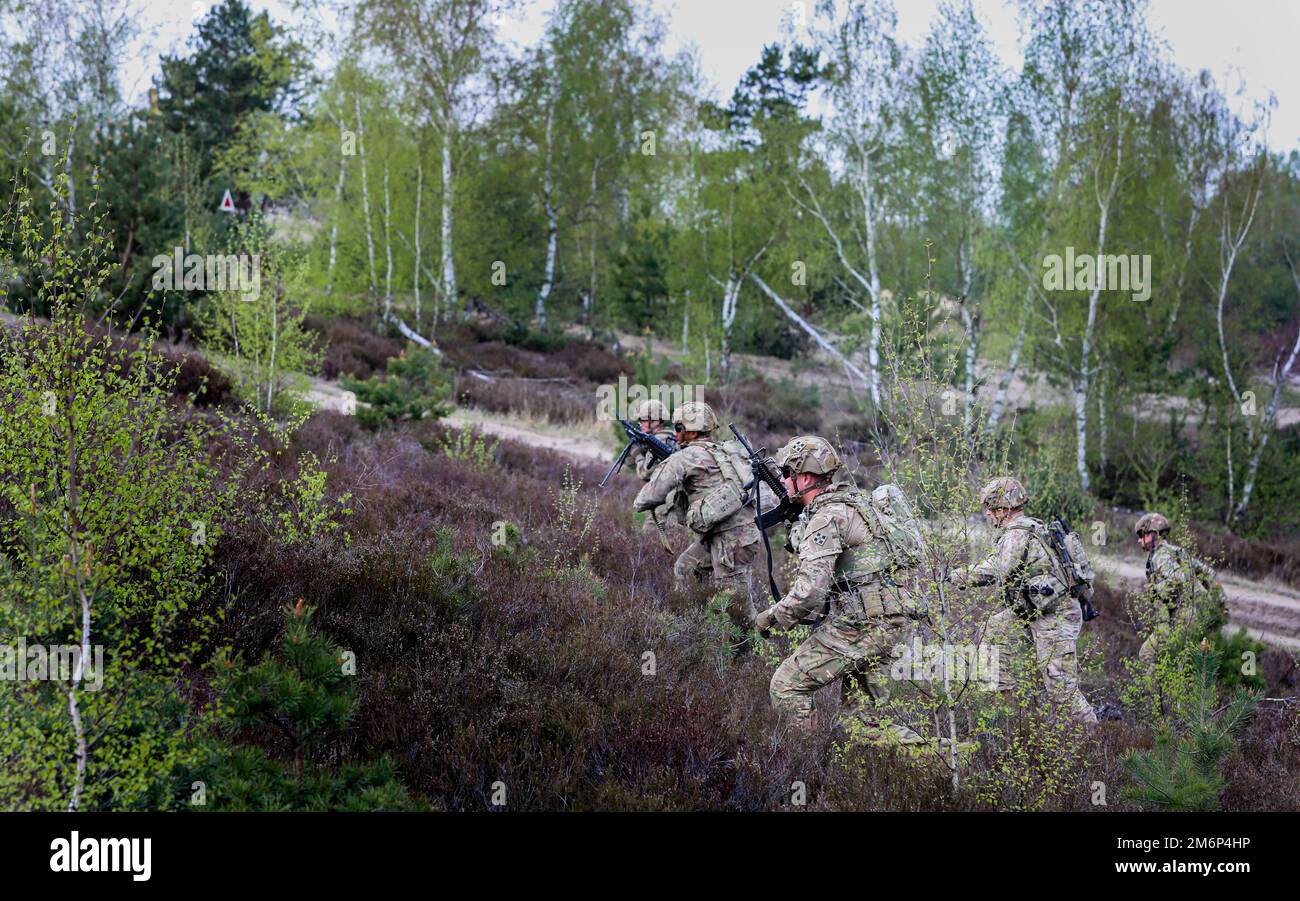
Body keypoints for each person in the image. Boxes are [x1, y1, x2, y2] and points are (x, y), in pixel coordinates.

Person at [755, 436, 928, 742]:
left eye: (786, 474)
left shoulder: (825, 517)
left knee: (786, 686)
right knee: (864, 727)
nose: (782, 481)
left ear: (804, 477)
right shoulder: (854, 503)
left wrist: (771, 617)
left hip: (864, 625)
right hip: (892, 619)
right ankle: (947, 762)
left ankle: (800, 763)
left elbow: (810, 592)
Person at [948, 477, 1098, 726]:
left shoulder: (1018, 533)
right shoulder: (1029, 528)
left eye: (990, 507)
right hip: (1033, 613)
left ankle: (1093, 734)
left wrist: (957, 576)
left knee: (1059, 683)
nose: (987, 513)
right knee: (994, 630)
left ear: (1003, 508)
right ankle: (1008, 710)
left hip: (1055, 615)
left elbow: (997, 570)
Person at [633, 401, 759, 626]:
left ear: (691, 431)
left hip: (732, 540)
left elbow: (649, 496)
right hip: (728, 534)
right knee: (686, 567)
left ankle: (752, 651)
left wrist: (639, 502)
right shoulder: (725, 451)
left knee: (736, 607)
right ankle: (691, 623)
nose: (676, 433)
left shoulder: (685, 457)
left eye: (679, 427)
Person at [1133, 512, 1222, 672]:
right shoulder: (1177, 552)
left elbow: (1175, 580)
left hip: (1182, 621)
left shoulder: (1160, 555)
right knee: (1186, 667)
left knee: (1147, 654)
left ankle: (1156, 695)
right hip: (1200, 619)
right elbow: (1209, 574)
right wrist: (1219, 603)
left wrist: (1154, 589)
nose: (1139, 540)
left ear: (1153, 534)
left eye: (1141, 534)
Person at [628, 399, 676, 481]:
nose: (640, 423)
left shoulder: (659, 440)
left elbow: (644, 474)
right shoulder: (669, 433)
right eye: (639, 420)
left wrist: (637, 455)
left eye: (643, 419)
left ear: (656, 421)